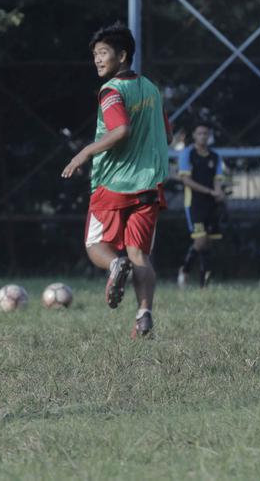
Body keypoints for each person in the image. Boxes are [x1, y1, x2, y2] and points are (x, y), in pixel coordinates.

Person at [61, 22, 171, 338]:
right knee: (139, 254)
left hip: (113, 184)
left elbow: (121, 130)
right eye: (95, 54)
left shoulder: (111, 91)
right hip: (150, 184)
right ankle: (144, 315)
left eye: (103, 53)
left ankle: (113, 267)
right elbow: (167, 131)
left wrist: (84, 152)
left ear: (122, 56)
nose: (97, 60)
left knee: (95, 244)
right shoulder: (151, 88)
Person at [176, 123, 226, 287]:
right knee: (200, 241)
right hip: (195, 204)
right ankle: (184, 270)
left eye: (206, 133)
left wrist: (218, 193)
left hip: (212, 205)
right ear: (194, 135)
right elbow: (185, 180)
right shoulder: (187, 155)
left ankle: (204, 284)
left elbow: (218, 179)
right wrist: (209, 191)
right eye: (200, 133)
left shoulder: (215, 156)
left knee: (208, 243)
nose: (203, 137)